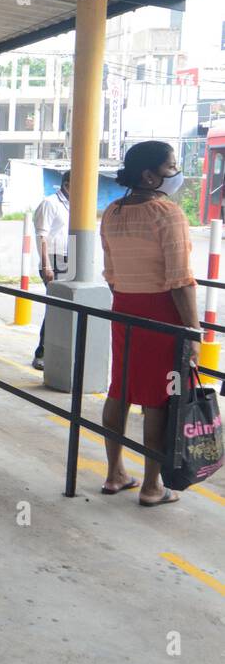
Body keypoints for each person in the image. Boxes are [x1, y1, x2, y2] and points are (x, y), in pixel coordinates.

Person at [99, 141, 200, 507]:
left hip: (124, 308)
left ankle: (114, 473)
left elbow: (109, 274)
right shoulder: (166, 213)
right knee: (159, 397)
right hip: (162, 315)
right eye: (171, 166)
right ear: (149, 175)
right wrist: (193, 330)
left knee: (121, 388)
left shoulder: (111, 212)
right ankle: (152, 486)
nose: (175, 173)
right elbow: (180, 280)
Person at [31, 170, 71, 369]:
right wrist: (46, 265)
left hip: (68, 260)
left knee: (65, 308)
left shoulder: (75, 204)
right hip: (53, 262)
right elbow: (42, 236)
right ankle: (42, 353)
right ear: (67, 184)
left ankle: (56, 354)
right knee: (54, 308)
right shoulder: (50, 203)